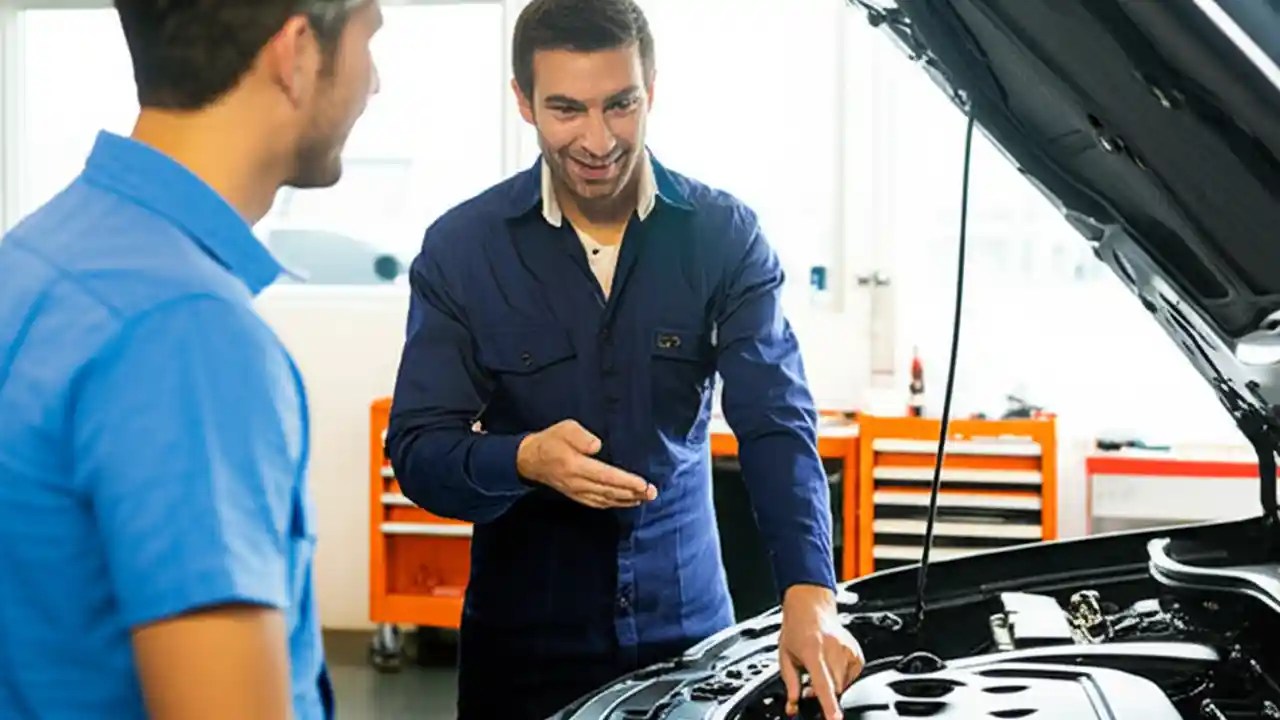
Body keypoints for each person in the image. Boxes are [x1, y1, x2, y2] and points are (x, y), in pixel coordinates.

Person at [385, 0, 864, 717]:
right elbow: (419, 450)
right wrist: (523, 460)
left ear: (652, 89)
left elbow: (775, 419)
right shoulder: (462, 250)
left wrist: (811, 590)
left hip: (691, 644)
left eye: (621, 104)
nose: (599, 139)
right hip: (522, 654)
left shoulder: (722, 237)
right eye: (566, 109)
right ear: (523, 102)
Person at [0, 1, 381, 718]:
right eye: (370, 39)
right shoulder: (187, 333)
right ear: (295, 53)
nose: (376, 82)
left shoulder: (34, 255)